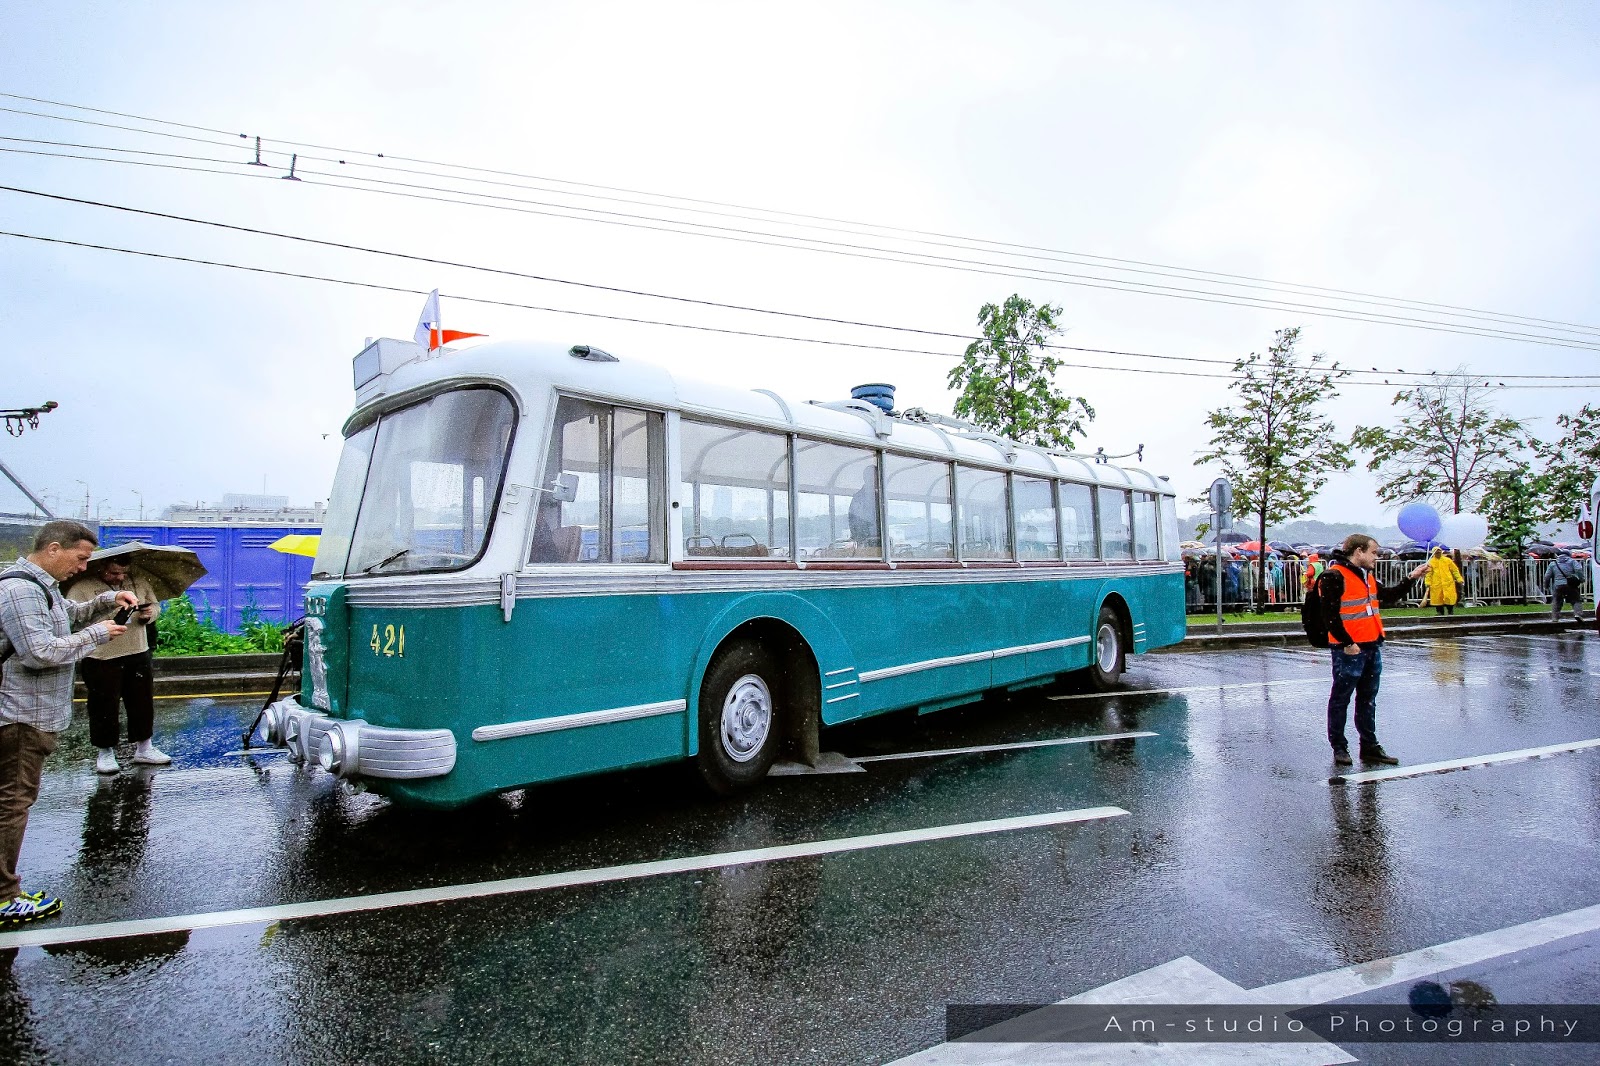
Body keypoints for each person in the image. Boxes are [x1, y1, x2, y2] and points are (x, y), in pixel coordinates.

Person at [0, 521, 133, 926]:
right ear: (54, 549)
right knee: (12, 804)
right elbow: (39, 652)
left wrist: (108, 599)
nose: (83, 567)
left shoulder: (40, 587)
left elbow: (66, 616)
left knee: (11, 802)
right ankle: (4, 896)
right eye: (81, 558)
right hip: (21, 716)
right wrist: (95, 635)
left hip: (30, 714)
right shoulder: (20, 589)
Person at [1319, 534, 1428, 767]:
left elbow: (1387, 596)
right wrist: (1347, 643)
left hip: (1371, 644)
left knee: (1368, 699)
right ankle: (1339, 747)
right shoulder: (1334, 576)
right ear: (1358, 552)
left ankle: (1369, 746)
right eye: (1374, 553)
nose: (1376, 558)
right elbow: (1329, 615)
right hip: (1348, 649)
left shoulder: (1366, 576)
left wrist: (1412, 577)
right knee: (1341, 699)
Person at [66, 557, 167, 773]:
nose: (120, 577)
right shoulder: (81, 587)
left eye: (123, 572)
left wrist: (150, 615)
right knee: (103, 705)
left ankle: (144, 747)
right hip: (101, 655)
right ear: (101, 568)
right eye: (113, 573)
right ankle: (105, 752)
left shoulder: (138, 582)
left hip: (138, 650)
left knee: (142, 701)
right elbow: (74, 618)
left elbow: (155, 604)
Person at [1544, 549, 1586, 622]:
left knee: (1557, 601)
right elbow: (1578, 569)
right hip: (1571, 584)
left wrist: (1546, 585)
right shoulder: (1572, 561)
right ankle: (1578, 614)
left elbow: (1547, 576)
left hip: (1558, 585)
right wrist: (1582, 579)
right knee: (1576, 599)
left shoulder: (1553, 563)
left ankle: (1555, 618)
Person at [1423, 546, 1464, 616]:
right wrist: (1427, 582)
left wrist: (1459, 578)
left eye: (1439, 551)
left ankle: (1450, 611)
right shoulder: (1431, 562)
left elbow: (1454, 570)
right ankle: (1439, 612)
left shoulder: (1447, 560)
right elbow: (1428, 574)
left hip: (1448, 582)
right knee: (1437, 598)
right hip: (1436, 583)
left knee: (1449, 598)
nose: (1438, 553)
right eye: (1436, 552)